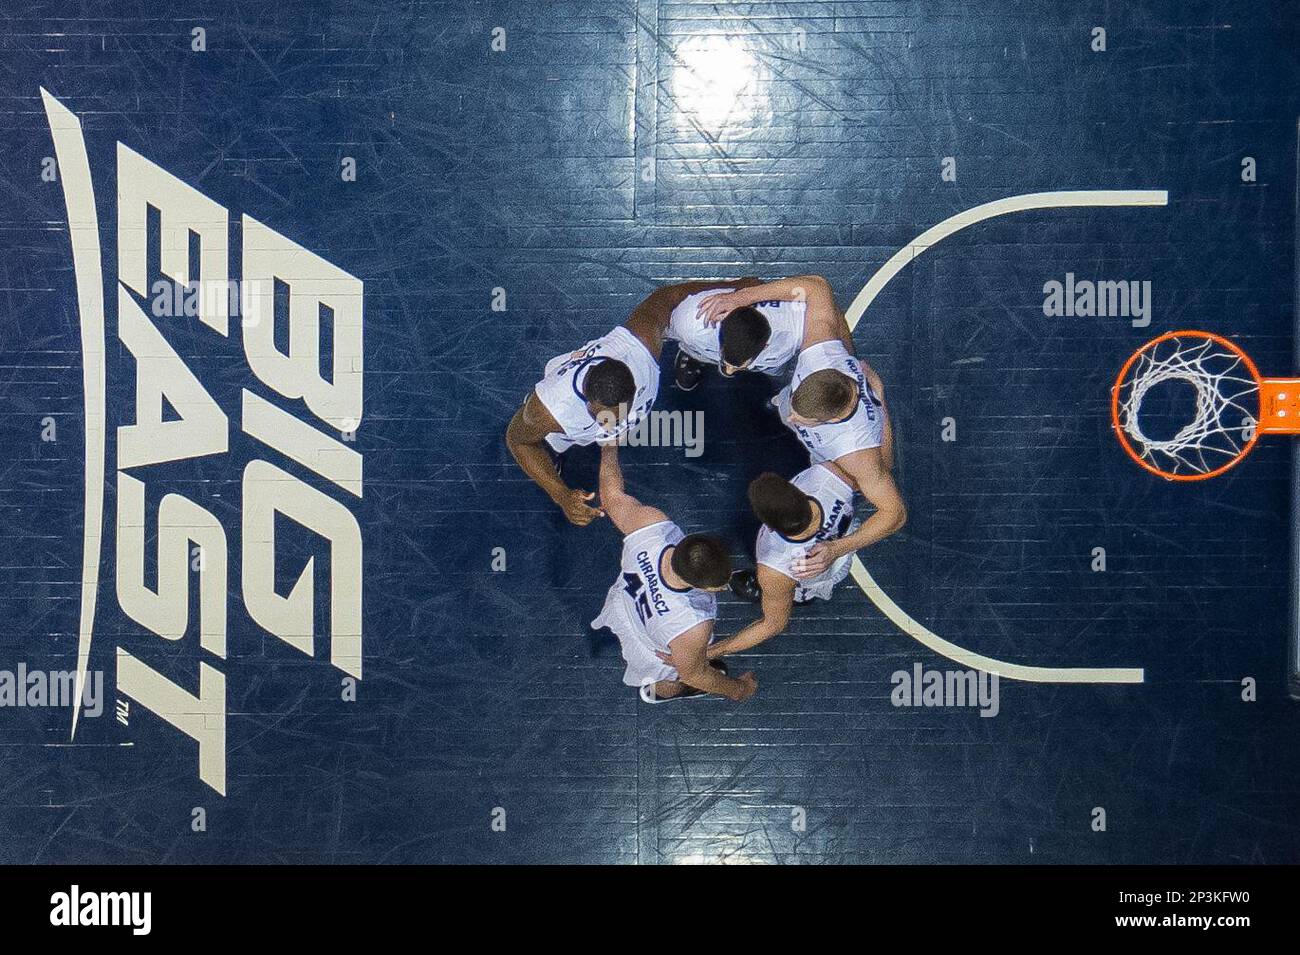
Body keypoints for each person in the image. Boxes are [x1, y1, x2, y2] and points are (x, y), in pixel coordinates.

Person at [694, 275, 905, 581]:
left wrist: (836, 549)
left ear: (830, 420)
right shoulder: (820, 353)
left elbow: (894, 513)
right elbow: (818, 286)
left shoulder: (857, 451)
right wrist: (742, 298)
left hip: (832, 458)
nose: (792, 418)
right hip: (840, 375)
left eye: (801, 418)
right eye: (796, 410)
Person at [506, 280, 750, 526]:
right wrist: (561, 495)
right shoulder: (550, 411)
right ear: (589, 402)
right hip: (558, 409)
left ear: (632, 385)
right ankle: (553, 452)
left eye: (623, 412)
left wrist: (735, 287)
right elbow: (517, 440)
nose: (615, 421)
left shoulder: (639, 344)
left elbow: (669, 295)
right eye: (607, 416)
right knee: (551, 441)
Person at [590, 443, 758, 702]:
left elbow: (611, 497)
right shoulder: (692, 626)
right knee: (672, 675)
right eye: (717, 587)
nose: (723, 588)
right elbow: (693, 673)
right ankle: (663, 692)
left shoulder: (651, 526)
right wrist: (739, 690)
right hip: (656, 647)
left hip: (626, 605)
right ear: (698, 586)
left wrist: (609, 446)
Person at [685, 466, 858, 661]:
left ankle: (788, 595)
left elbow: (772, 624)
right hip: (842, 545)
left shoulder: (774, 565)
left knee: (786, 592)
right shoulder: (828, 476)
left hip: (811, 577)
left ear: (769, 526)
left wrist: (713, 651)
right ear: (799, 492)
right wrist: (839, 548)